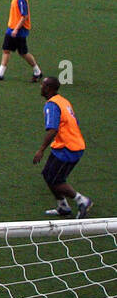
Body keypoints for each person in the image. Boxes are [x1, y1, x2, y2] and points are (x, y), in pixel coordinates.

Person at [33, 77, 93, 218]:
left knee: (56, 181)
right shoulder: (63, 101)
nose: (41, 86)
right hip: (64, 144)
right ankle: (63, 207)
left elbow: (52, 129)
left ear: (49, 89)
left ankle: (82, 200)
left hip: (69, 148)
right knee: (48, 175)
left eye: (44, 85)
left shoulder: (52, 106)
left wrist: (41, 150)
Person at [0, 0, 42, 82]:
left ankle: (37, 72)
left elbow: (24, 16)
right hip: (12, 28)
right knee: (6, 49)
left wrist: (16, 29)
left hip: (18, 30)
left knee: (23, 52)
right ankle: (0, 74)